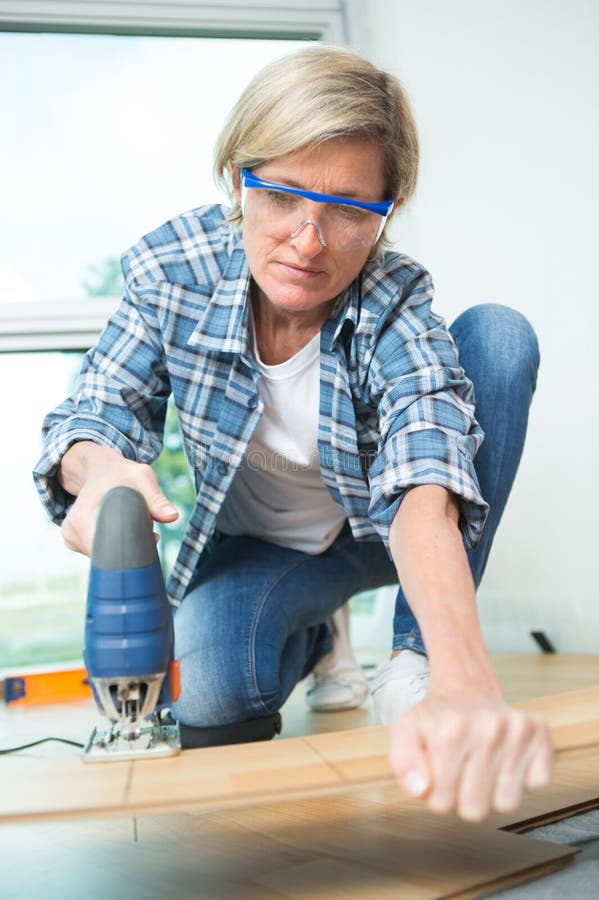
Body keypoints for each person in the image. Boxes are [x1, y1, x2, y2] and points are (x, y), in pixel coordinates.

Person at [33, 44, 552, 821]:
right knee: (214, 701)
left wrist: (460, 673)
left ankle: (409, 659)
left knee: (500, 337)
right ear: (239, 178)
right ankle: (320, 638)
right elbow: (92, 410)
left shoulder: (395, 301)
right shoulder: (173, 269)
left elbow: (424, 478)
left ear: (385, 215)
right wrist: (99, 469)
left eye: (348, 210)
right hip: (263, 551)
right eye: (281, 196)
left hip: (383, 530)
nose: (309, 243)